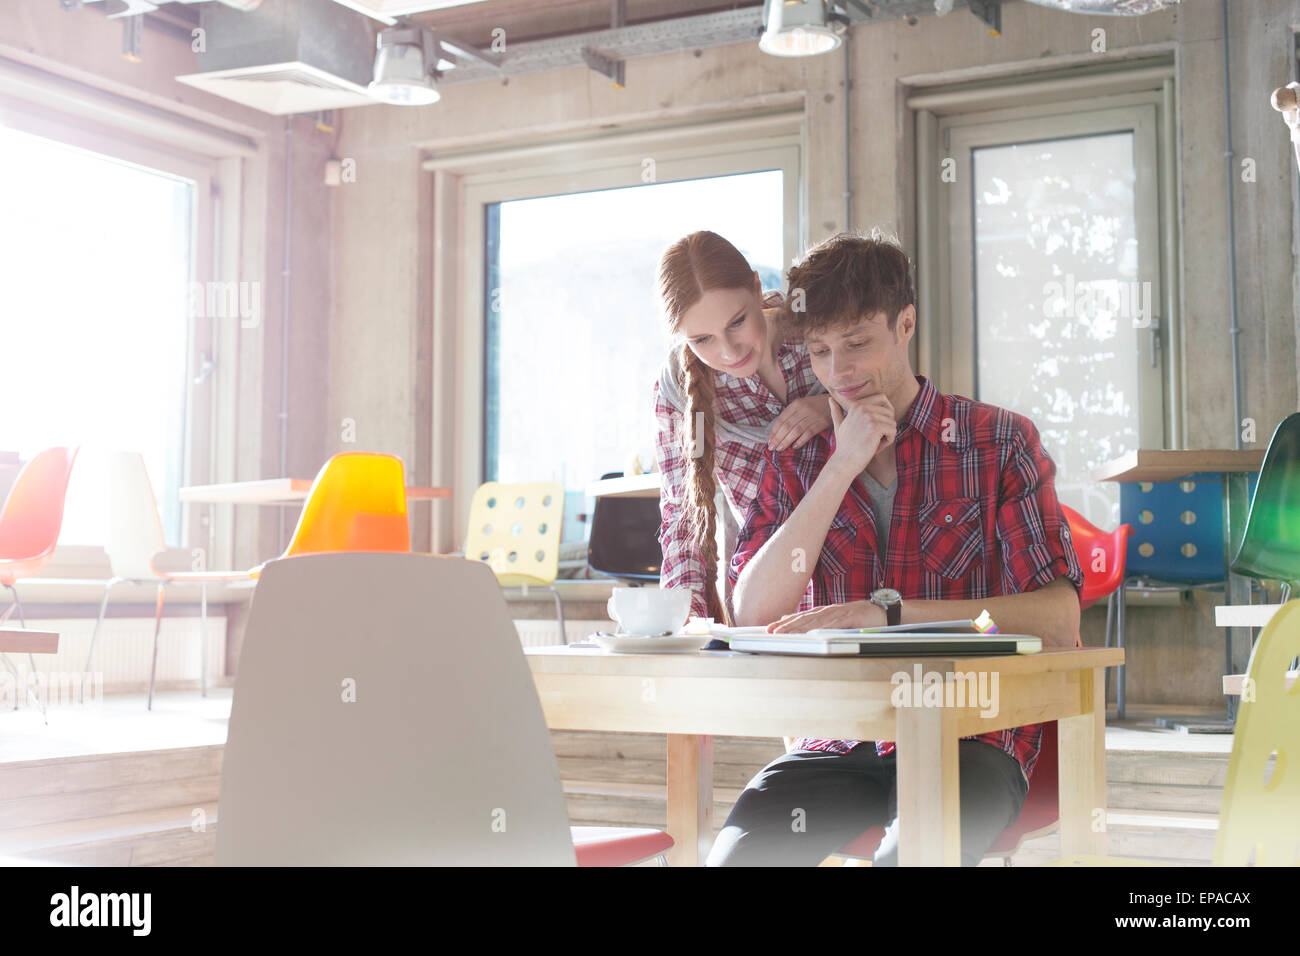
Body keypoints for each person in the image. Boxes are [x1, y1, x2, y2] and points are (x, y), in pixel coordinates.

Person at [707, 230, 1085, 866]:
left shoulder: (998, 443)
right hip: (833, 745)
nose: (840, 371)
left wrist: (889, 615)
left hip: (969, 738)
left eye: (859, 343)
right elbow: (749, 613)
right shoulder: (800, 463)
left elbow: (1057, 620)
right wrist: (839, 468)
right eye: (821, 351)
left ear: (906, 323)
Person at [652, 231, 833, 629]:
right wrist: (687, 629)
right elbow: (682, 518)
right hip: (761, 611)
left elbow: (895, 412)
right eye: (702, 339)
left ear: (756, 287)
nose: (729, 352)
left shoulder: (821, 332)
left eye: (737, 322)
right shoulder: (676, 390)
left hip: (858, 595)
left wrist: (832, 408)